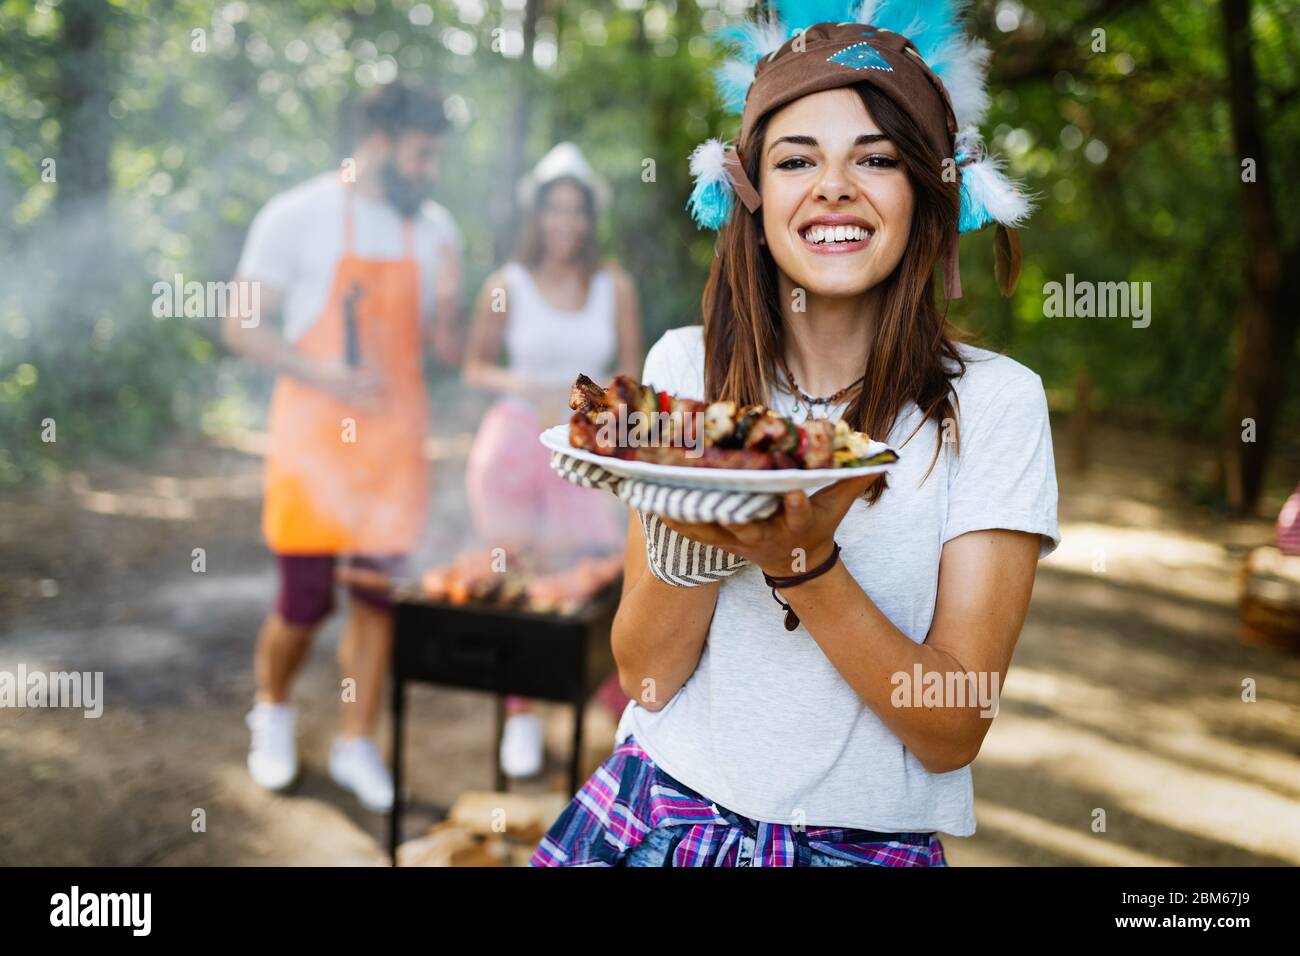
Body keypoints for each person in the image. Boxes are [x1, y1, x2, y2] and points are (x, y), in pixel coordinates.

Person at [532, 4, 1059, 866]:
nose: (833, 187)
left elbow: (952, 729)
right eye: (796, 159)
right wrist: (698, 532)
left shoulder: (996, 406)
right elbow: (647, 679)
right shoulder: (685, 373)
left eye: (877, 159)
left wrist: (802, 562)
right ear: (753, 191)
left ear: (930, 188)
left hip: (861, 849)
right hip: (654, 816)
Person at [221, 84, 463, 812]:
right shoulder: (297, 215)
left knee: (377, 600)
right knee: (303, 600)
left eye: (436, 158)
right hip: (313, 444)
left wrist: (452, 303)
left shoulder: (436, 229)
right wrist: (318, 369)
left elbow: (444, 350)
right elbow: (240, 325)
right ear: (380, 144)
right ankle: (272, 712)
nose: (430, 172)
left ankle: (356, 743)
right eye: (422, 156)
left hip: (394, 447)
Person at [462, 143, 643, 778]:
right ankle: (520, 715)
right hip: (512, 446)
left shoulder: (612, 284)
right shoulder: (505, 285)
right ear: (535, 216)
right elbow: (475, 364)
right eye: (553, 210)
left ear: (591, 218)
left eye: (576, 211)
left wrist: (583, 403)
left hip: (584, 449)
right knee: (518, 573)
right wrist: (525, 388)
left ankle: (616, 710)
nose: (565, 224)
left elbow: (630, 371)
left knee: (591, 575)